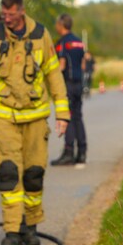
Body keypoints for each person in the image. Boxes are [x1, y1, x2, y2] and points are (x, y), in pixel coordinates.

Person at [0, 0, 69, 245]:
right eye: (4, 14)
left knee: (33, 173)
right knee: (8, 173)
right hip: (3, 116)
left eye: (11, 14)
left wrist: (63, 114)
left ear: (22, 11)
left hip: (35, 116)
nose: (7, 19)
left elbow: (54, 75)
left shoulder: (40, 34)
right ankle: (12, 229)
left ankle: (31, 226)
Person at [51, 13, 89, 166]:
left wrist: (53, 81)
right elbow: (83, 64)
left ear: (61, 25)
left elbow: (61, 65)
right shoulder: (79, 42)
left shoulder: (62, 43)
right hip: (79, 83)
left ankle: (68, 152)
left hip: (67, 84)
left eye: (57, 24)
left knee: (67, 117)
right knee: (78, 117)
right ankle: (82, 152)